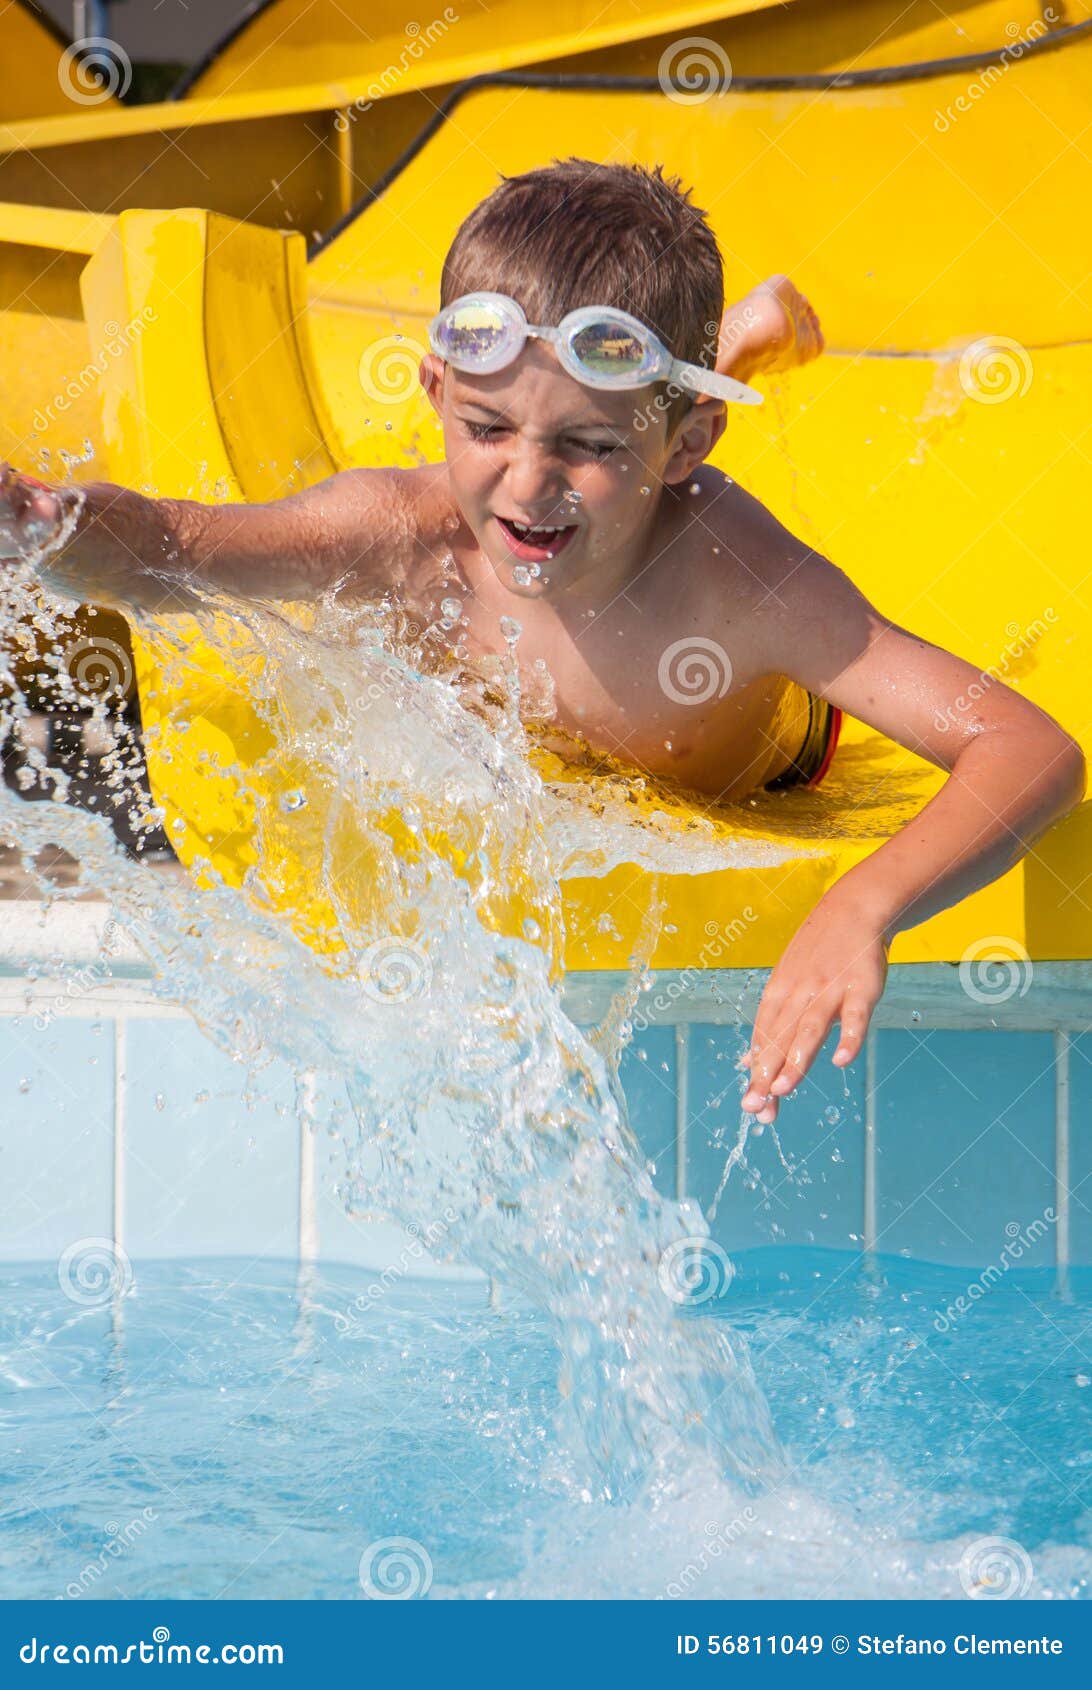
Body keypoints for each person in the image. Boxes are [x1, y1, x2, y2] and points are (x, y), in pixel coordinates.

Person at [0, 160, 1083, 1127]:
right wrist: (49, 524)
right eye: (486, 428)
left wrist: (865, 904)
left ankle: (736, 348)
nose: (525, 486)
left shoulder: (739, 581)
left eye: (586, 443)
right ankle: (706, 360)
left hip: (766, 768)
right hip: (617, 582)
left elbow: (1030, 746)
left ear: (689, 443)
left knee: (655, 472)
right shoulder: (400, 538)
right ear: (435, 391)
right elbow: (184, 546)